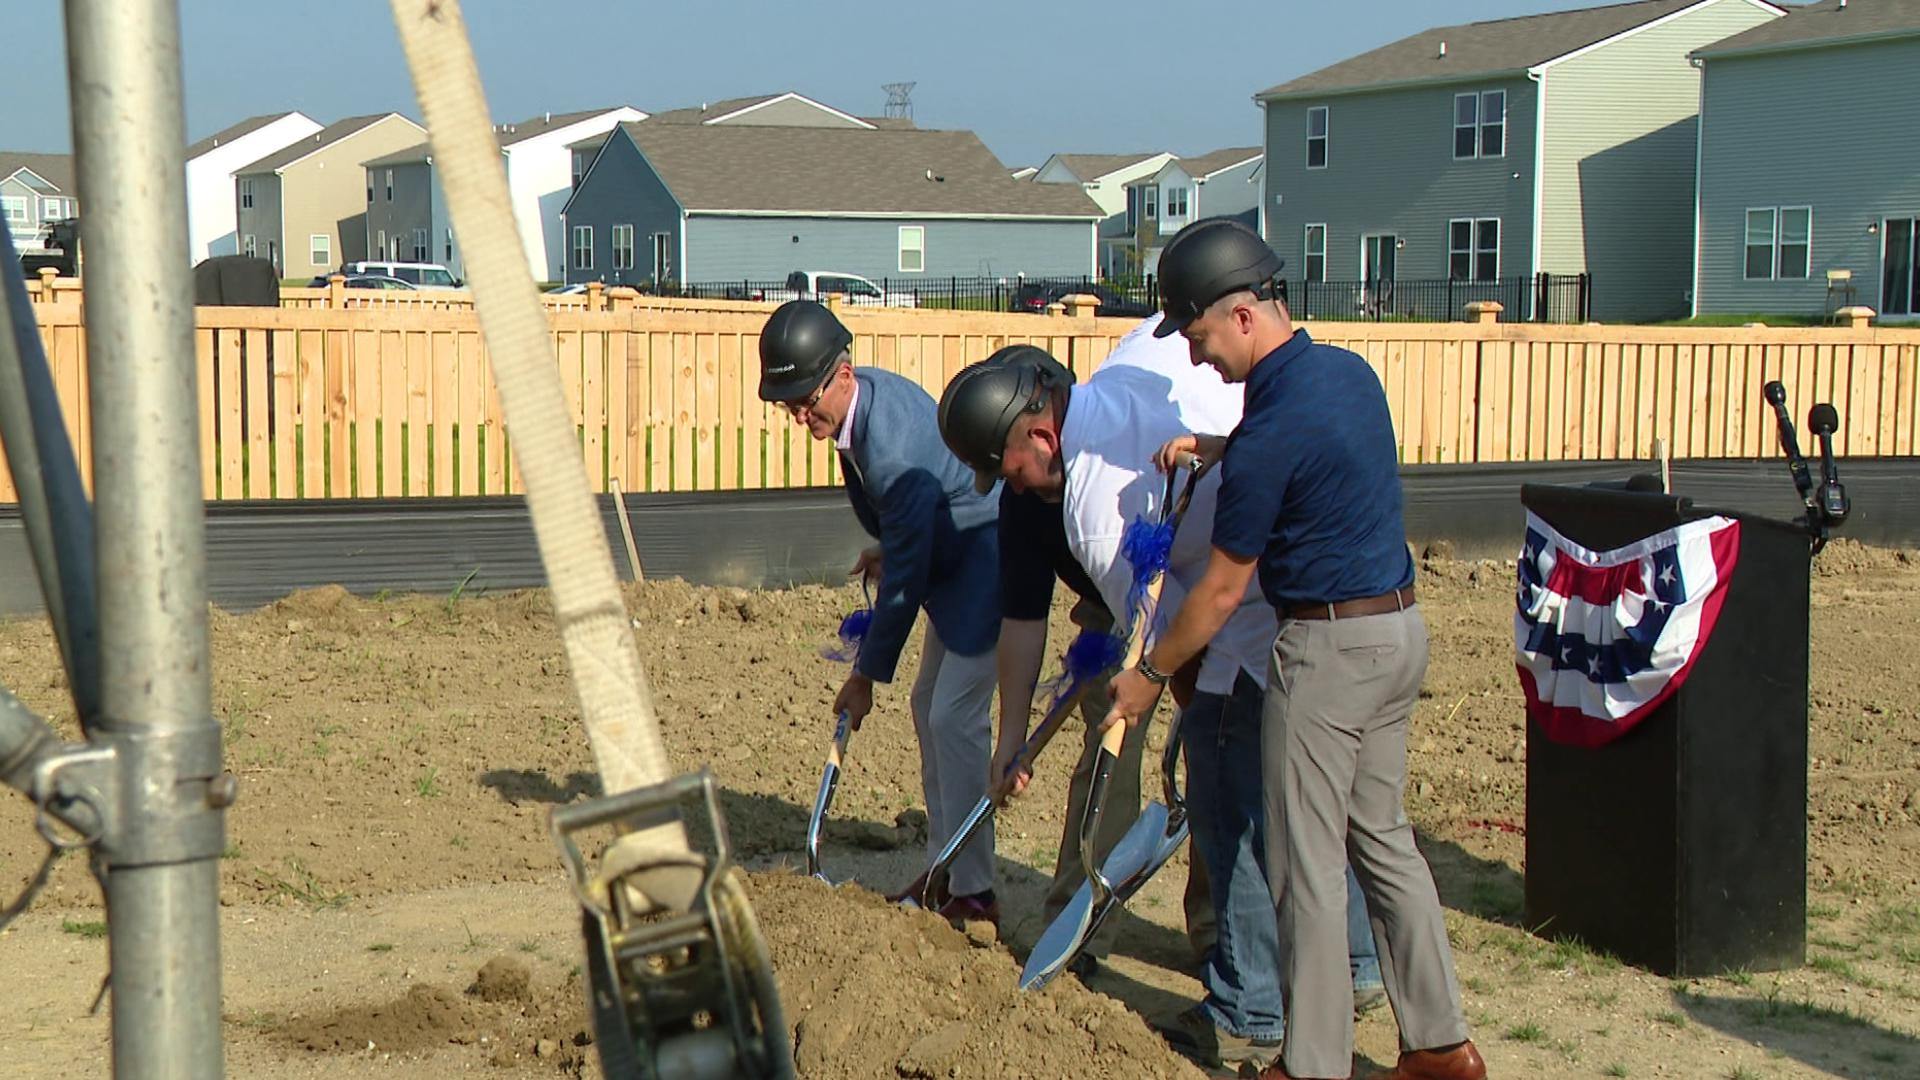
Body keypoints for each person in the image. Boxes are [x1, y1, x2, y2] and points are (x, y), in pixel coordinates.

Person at [938, 320, 1381, 1072]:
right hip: (1252, 581)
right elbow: (1024, 620)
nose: (1007, 484)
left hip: (1245, 587)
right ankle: (1343, 963)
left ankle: (1253, 995)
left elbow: (1166, 640)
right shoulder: (1102, 408)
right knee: (1280, 786)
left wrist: (1180, 701)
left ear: (1042, 433)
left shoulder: (1093, 507)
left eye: (1007, 467)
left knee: (1226, 786)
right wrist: (1012, 741)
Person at [1104, 218, 1485, 1080]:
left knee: (1305, 865)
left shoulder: (1268, 437)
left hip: (1325, 657)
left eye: (1199, 337)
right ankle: (1441, 1045)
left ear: (1241, 314)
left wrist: (1149, 675)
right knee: (1382, 841)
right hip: (1398, 634)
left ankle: (1311, 1064)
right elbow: (1303, 449)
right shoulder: (1344, 377)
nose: (1199, 360)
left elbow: (1224, 591)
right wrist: (1216, 446)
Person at [757, 299, 1003, 925]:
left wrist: (863, 677)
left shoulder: (890, 449)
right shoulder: (861, 405)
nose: (798, 414)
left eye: (805, 399)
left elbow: (906, 582)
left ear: (842, 374)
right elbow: (912, 527)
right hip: (948, 553)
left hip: (984, 558)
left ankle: (974, 892)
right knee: (930, 708)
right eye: (789, 404)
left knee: (953, 716)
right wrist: (891, 543)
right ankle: (947, 867)